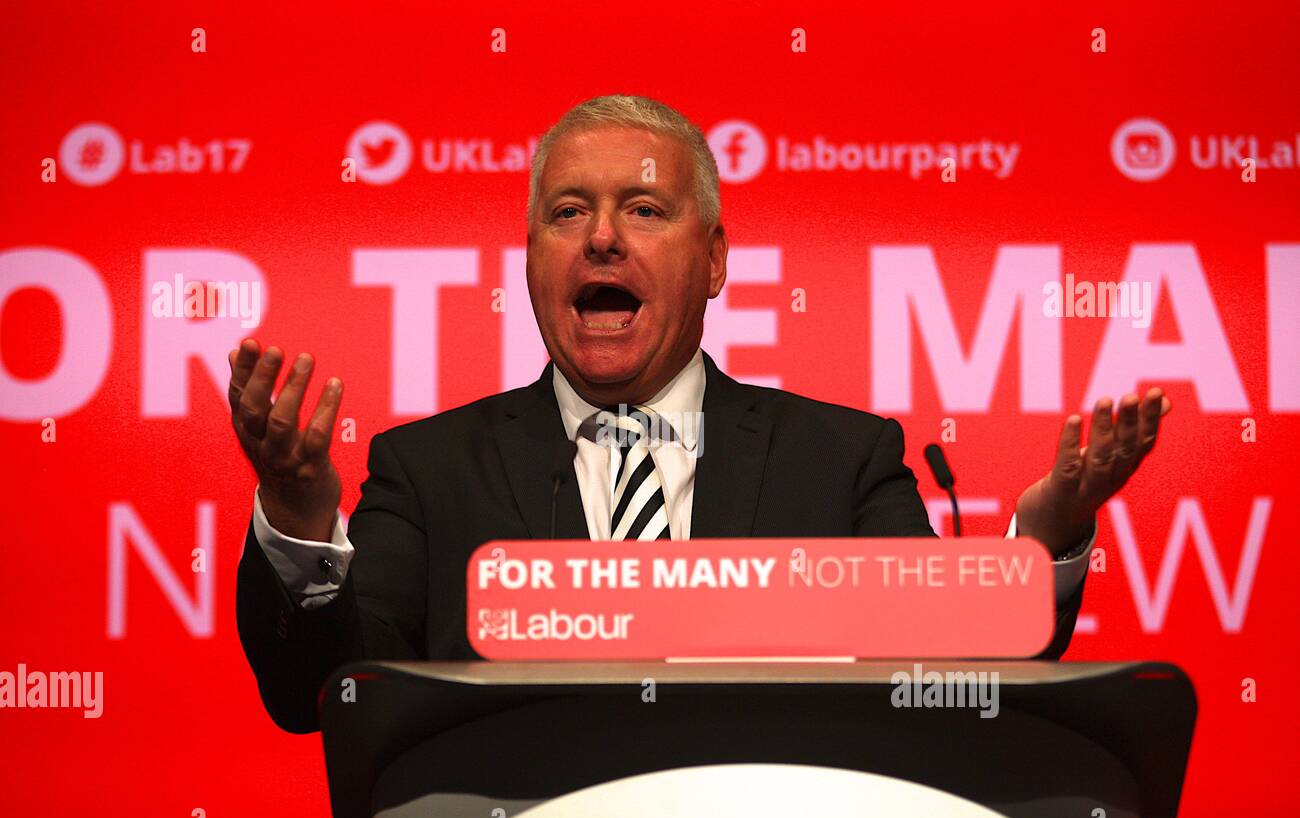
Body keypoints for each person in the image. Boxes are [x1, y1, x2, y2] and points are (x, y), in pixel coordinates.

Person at [229, 95, 1170, 733]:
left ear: (715, 262)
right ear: (529, 262)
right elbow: (327, 697)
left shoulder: (841, 459)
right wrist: (301, 516)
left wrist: (1046, 535)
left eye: (643, 209)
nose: (601, 236)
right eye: (567, 213)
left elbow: (949, 669)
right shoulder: (430, 471)